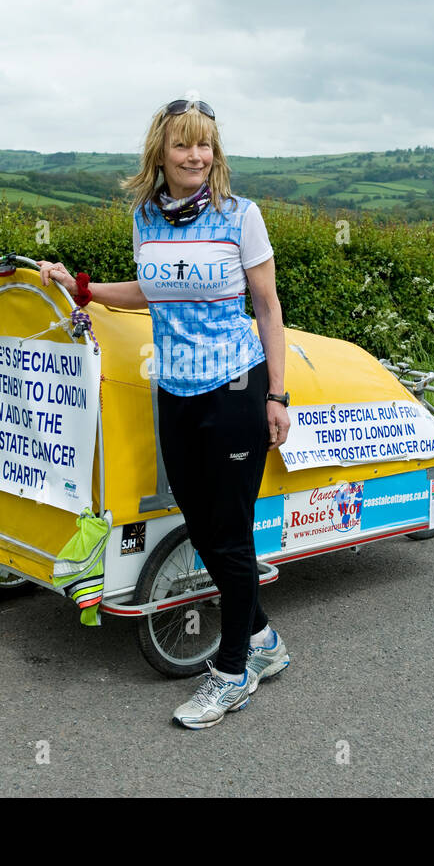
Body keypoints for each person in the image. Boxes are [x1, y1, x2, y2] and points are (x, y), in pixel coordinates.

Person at [39, 97, 291, 729]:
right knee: (202, 528)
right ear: (161, 152)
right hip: (174, 391)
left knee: (230, 535)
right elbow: (154, 292)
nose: (196, 157)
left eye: (205, 145)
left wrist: (277, 394)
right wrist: (83, 289)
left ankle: (232, 673)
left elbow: (268, 307)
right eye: (183, 145)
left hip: (235, 386)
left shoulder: (241, 216)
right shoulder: (146, 217)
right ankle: (264, 642)